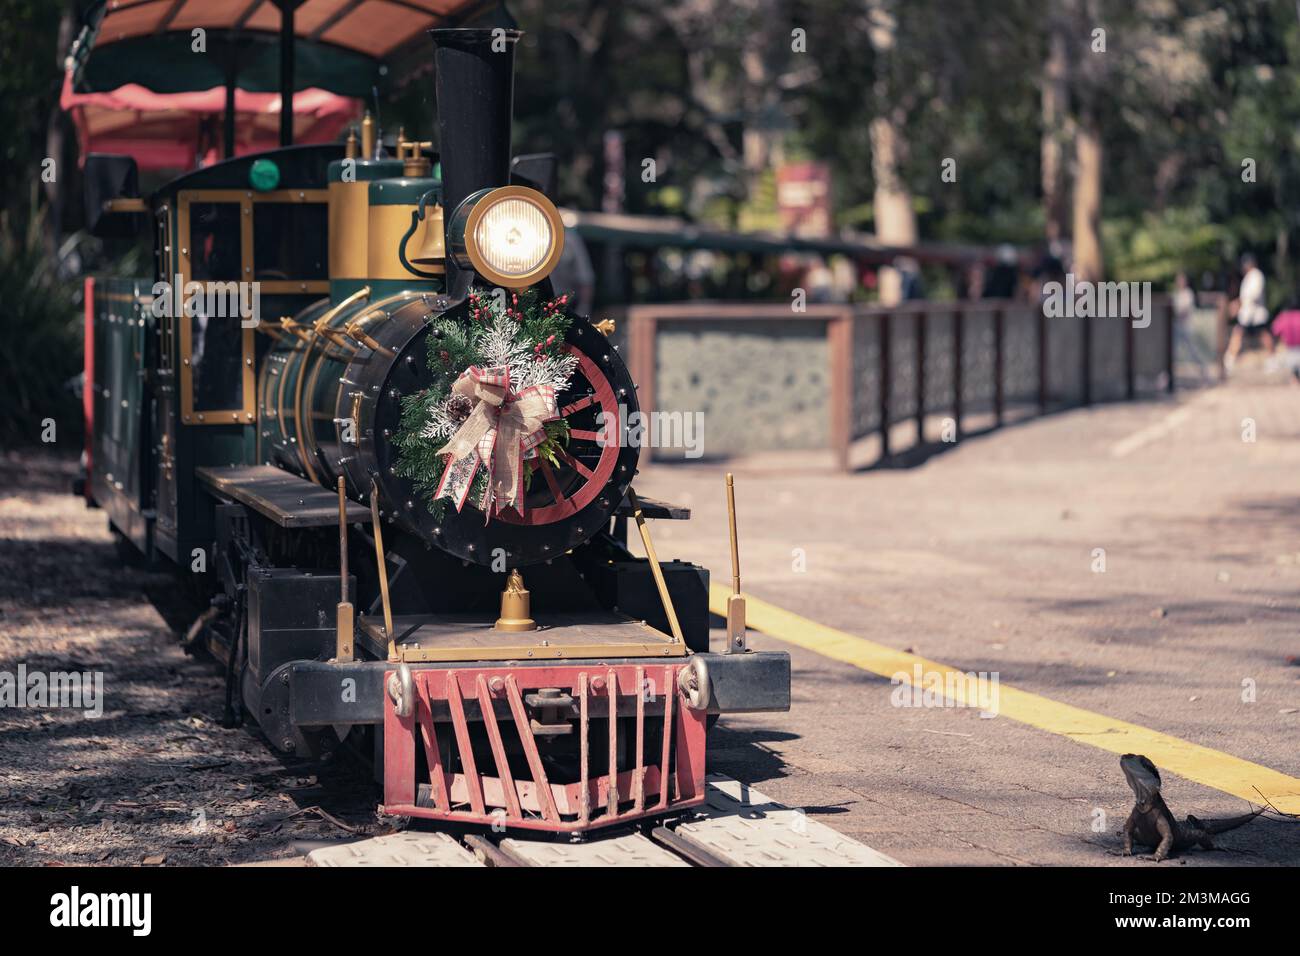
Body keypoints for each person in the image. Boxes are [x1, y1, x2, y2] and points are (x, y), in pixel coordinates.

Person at [1224, 252, 1274, 372]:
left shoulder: (1257, 275)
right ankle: (1229, 360)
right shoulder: (1249, 277)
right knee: (1238, 333)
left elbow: (1253, 295)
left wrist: (1238, 304)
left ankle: (1272, 359)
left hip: (1256, 314)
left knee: (1264, 336)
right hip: (1247, 314)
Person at [1172, 272, 1214, 384]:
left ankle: (1204, 372)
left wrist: (1175, 313)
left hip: (1185, 327)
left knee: (1193, 352)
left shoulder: (1188, 294)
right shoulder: (1177, 294)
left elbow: (1183, 311)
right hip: (1177, 327)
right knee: (1171, 351)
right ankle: (1166, 376)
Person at [1270, 299, 1300, 385]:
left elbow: (1275, 330)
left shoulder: (1284, 317)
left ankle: (1295, 379)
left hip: (1289, 350)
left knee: (1293, 366)